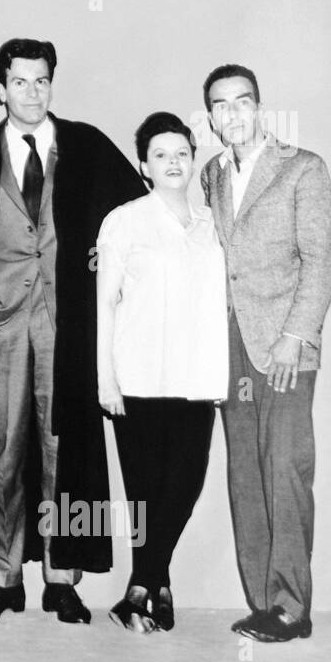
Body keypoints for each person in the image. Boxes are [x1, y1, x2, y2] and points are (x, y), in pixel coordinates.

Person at [0, 38, 146, 624]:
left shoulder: (87, 146)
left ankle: (62, 579)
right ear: (0, 88)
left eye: (42, 81)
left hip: (66, 326)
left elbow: (138, 215)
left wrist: (108, 270)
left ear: (52, 85)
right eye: (21, 82)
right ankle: (2, 580)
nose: (32, 93)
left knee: (65, 448)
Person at [200, 64, 331, 643]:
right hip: (228, 346)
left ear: (261, 108)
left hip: (282, 346)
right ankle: (261, 602)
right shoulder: (209, 174)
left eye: (242, 102)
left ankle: (291, 608)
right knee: (245, 476)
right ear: (209, 115)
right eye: (221, 105)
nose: (232, 114)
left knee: (284, 470)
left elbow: (322, 260)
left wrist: (295, 335)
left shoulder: (302, 168)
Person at [96, 112, 228, 632]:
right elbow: (105, 304)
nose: (172, 163)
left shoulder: (213, 224)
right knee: (146, 492)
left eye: (181, 153)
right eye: (160, 155)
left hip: (197, 379)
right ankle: (154, 585)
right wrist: (106, 379)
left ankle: (144, 584)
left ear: (193, 158)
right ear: (143, 165)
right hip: (140, 377)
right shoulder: (124, 220)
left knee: (185, 485)